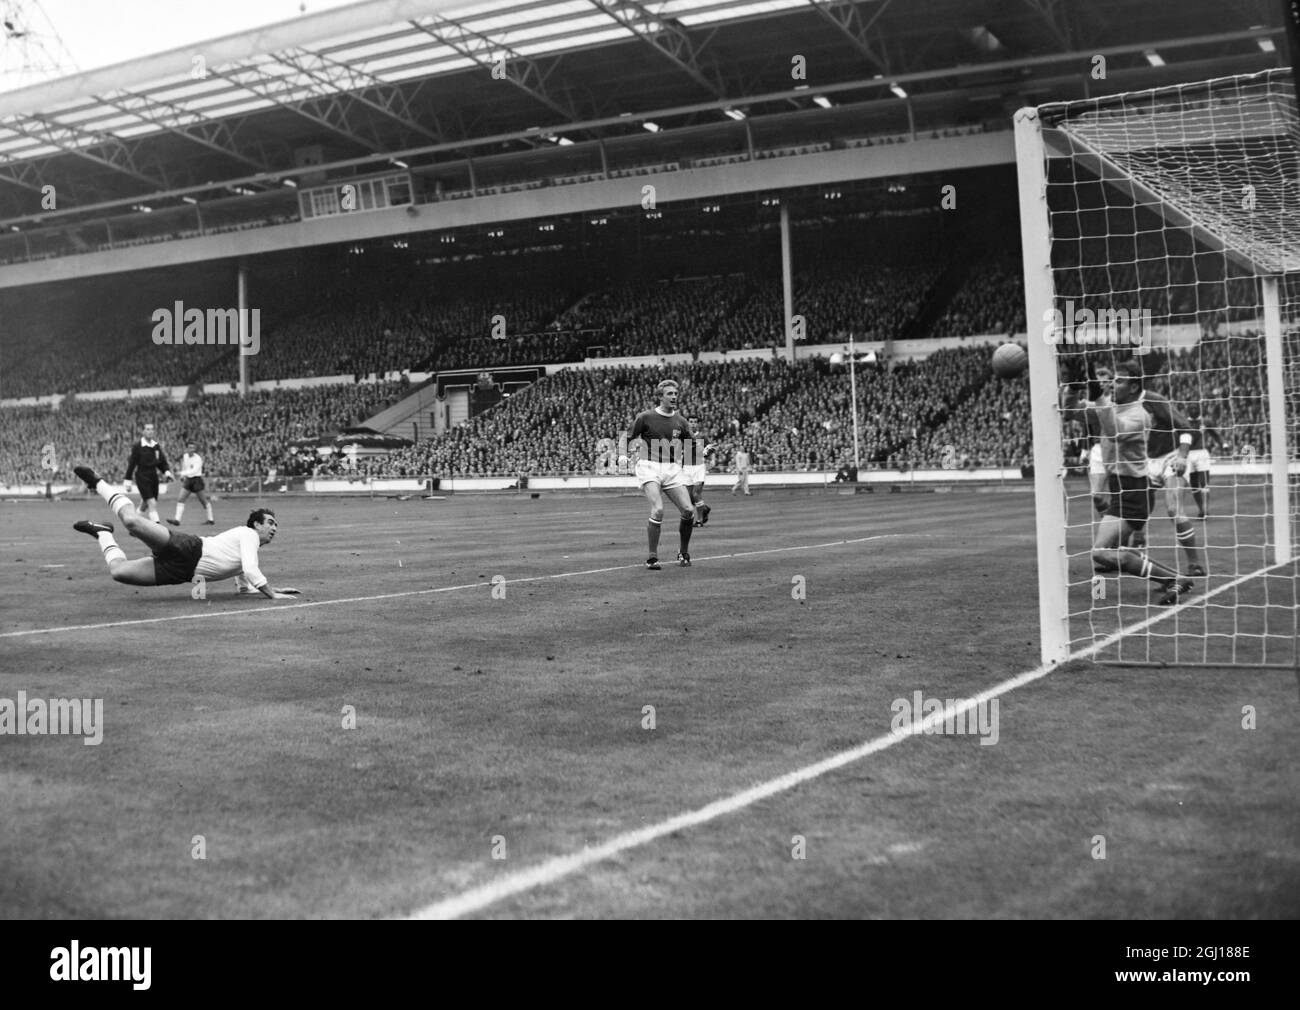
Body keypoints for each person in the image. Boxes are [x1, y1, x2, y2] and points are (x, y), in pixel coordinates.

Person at [70, 465, 299, 599]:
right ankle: (98, 482)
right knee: (132, 521)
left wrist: (261, 589)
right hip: (189, 549)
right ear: (256, 525)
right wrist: (272, 593)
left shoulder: (249, 545)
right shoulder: (248, 535)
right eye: (270, 523)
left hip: (181, 572)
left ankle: (103, 533)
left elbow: (244, 577)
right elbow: (250, 568)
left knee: (119, 572)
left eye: (276, 525)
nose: (274, 528)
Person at [1085, 361, 1201, 605]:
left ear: (1134, 384)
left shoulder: (1152, 401)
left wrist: (1182, 455)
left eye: (1119, 380)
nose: (1113, 384)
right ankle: (1158, 568)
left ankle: (1193, 563)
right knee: (1106, 549)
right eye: (1112, 379)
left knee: (1173, 508)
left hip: (1168, 457)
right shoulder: (1117, 403)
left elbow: (1186, 428)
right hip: (1144, 465)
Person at [628, 379, 696, 569]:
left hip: (671, 468)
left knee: (689, 511)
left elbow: (691, 446)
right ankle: (652, 558)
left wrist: (703, 451)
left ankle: (683, 553)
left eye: (675, 393)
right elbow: (627, 436)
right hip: (649, 466)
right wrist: (622, 456)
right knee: (658, 509)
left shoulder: (681, 421)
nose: (674, 397)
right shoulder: (645, 417)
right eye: (669, 394)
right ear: (660, 397)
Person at [125, 422, 174, 524]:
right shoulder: (138, 446)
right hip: (142, 476)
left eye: (152, 429)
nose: (150, 431)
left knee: (145, 504)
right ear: (143, 431)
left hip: (153, 477)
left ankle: (133, 525)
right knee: (152, 503)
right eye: (147, 429)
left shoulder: (156, 446)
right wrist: (128, 480)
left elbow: (161, 462)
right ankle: (158, 528)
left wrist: (167, 472)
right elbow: (132, 464)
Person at [1185, 405, 1224, 518]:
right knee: (1194, 484)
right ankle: (1201, 509)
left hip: (1202, 453)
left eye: (1195, 408)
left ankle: (1206, 510)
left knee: (1204, 482)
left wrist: (1223, 444)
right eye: (1191, 408)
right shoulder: (1183, 422)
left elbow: (1215, 434)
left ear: (1199, 409)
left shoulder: (1206, 421)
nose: (1193, 410)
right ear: (1188, 410)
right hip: (1189, 454)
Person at [168, 441, 215, 526]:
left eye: (193, 448)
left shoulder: (198, 459)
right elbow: (185, 467)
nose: (192, 450)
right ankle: (177, 520)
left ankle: (211, 519)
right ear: (187, 448)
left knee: (203, 501)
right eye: (190, 448)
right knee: (180, 499)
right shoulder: (185, 456)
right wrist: (183, 476)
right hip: (189, 480)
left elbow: (194, 471)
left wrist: (182, 473)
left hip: (196, 480)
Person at [682, 416, 713, 528]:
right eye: (691, 422)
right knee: (688, 498)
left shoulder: (702, 436)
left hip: (698, 467)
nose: (693, 424)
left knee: (696, 494)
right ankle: (704, 508)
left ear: (698, 424)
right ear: (687, 423)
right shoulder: (683, 435)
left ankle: (699, 521)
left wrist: (706, 453)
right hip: (686, 467)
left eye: (695, 422)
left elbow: (711, 448)